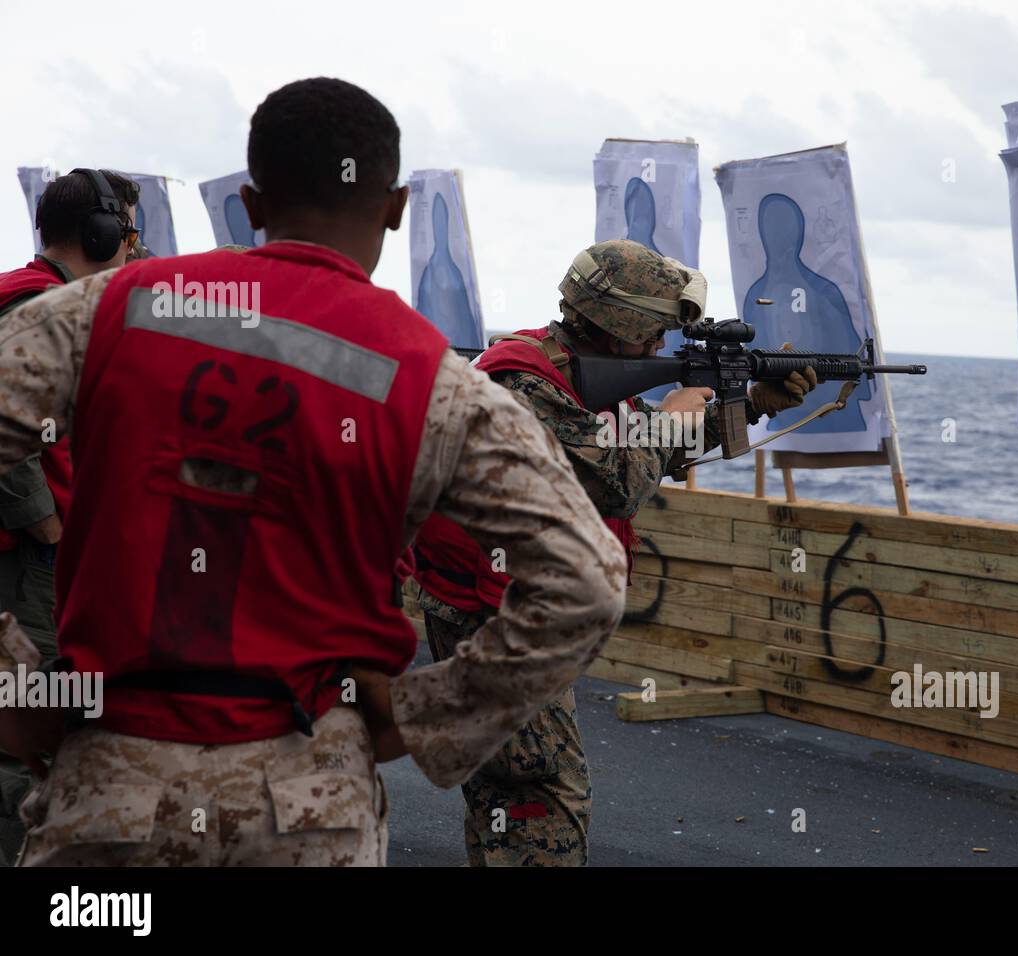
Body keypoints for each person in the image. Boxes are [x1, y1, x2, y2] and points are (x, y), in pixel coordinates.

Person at [0, 76, 625, 867]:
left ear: (254, 205)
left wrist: (18, 687)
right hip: (308, 800)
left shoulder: (106, 310)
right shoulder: (430, 376)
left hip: (108, 786)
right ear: (395, 207)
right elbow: (588, 580)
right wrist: (427, 715)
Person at [412, 238, 816, 865]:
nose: (660, 346)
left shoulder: (565, 371)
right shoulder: (524, 386)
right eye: (652, 331)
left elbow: (626, 450)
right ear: (618, 322)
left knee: (512, 789)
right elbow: (620, 482)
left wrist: (750, 406)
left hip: (509, 607)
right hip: (489, 618)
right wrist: (681, 413)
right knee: (540, 796)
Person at [0, 168, 141, 866]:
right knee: (24, 732)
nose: (133, 250)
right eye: (129, 233)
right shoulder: (35, 307)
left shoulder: (43, 302)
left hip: (41, 557)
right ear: (103, 231)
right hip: (29, 564)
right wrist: (46, 528)